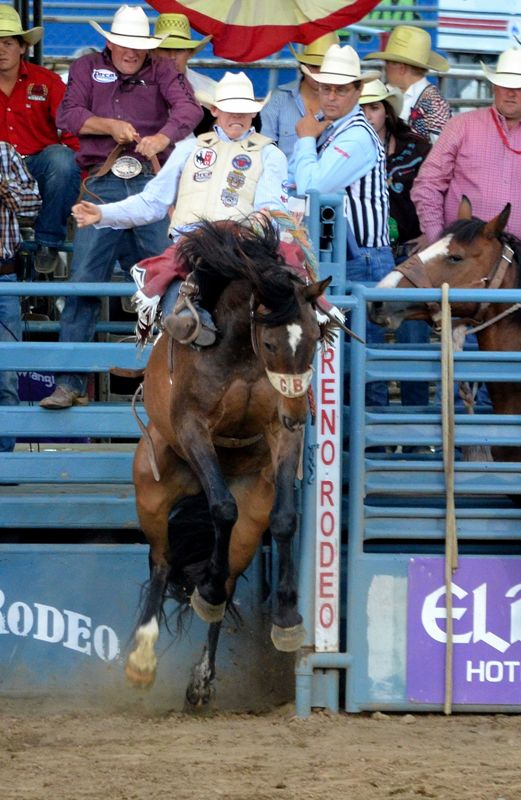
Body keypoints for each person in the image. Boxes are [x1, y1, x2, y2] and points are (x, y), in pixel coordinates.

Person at [47, 70, 291, 365]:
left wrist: (250, 230)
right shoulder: (188, 150)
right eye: (230, 108)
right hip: (192, 249)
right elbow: (152, 202)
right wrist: (102, 212)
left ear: (254, 113)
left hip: (240, 250)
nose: (237, 116)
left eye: (244, 111)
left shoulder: (270, 154)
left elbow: (270, 208)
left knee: (284, 313)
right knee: (178, 301)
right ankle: (189, 342)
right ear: (215, 110)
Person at [39, 5, 203, 410]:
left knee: (165, 278)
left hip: (148, 181)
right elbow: (69, 114)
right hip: (103, 179)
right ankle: (71, 381)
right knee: (87, 281)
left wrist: (162, 138)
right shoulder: (85, 68)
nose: (131, 52)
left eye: (138, 46)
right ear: (110, 42)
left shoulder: (162, 71)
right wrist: (110, 125)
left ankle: (175, 382)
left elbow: (189, 111)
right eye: (125, 44)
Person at [291, 43, 393, 407]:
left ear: (357, 92)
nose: (331, 96)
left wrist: (304, 139)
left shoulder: (355, 135)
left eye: (340, 89)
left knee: (358, 365)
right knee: (349, 363)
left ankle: (368, 455)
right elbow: (301, 181)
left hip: (361, 259)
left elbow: (309, 186)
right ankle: (361, 453)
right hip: (352, 257)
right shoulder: (338, 131)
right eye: (325, 88)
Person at [360, 79, 431, 409]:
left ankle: (413, 435)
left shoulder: (416, 147)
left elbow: (436, 189)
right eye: (361, 107)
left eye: (374, 107)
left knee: (412, 344)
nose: (368, 114)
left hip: (408, 252)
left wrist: (433, 232)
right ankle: (373, 436)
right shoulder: (345, 144)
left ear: (387, 112)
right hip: (366, 253)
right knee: (363, 343)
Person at [411, 46, 521, 244]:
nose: (511, 93)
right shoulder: (461, 125)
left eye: (519, 87)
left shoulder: (461, 125)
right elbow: (428, 184)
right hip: (463, 253)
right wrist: (438, 239)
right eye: (505, 86)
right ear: (494, 87)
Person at [0, 5, 80, 274]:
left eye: (8, 43)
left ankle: (48, 242)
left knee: (63, 158)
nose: (1, 49)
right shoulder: (46, 80)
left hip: (38, 168)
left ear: (22, 47)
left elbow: (72, 131)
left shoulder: (47, 81)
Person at [0, 141, 41, 451]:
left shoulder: (6, 151)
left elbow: (32, 205)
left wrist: (3, 187)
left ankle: (5, 459)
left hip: (5, 276)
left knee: (7, 373)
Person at [365, 25, 451, 144]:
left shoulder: (434, 102)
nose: (385, 68)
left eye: (388, 64)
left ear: (401, 68)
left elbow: (441, 151)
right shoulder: (387, 92)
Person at [260, 32, 339, 160]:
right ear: (303, 67)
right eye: (314, 66)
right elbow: (264, 149)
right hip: (283, 177)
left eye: (326, 67)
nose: (319, 72)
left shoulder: (343, 105)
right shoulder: (278, 99)